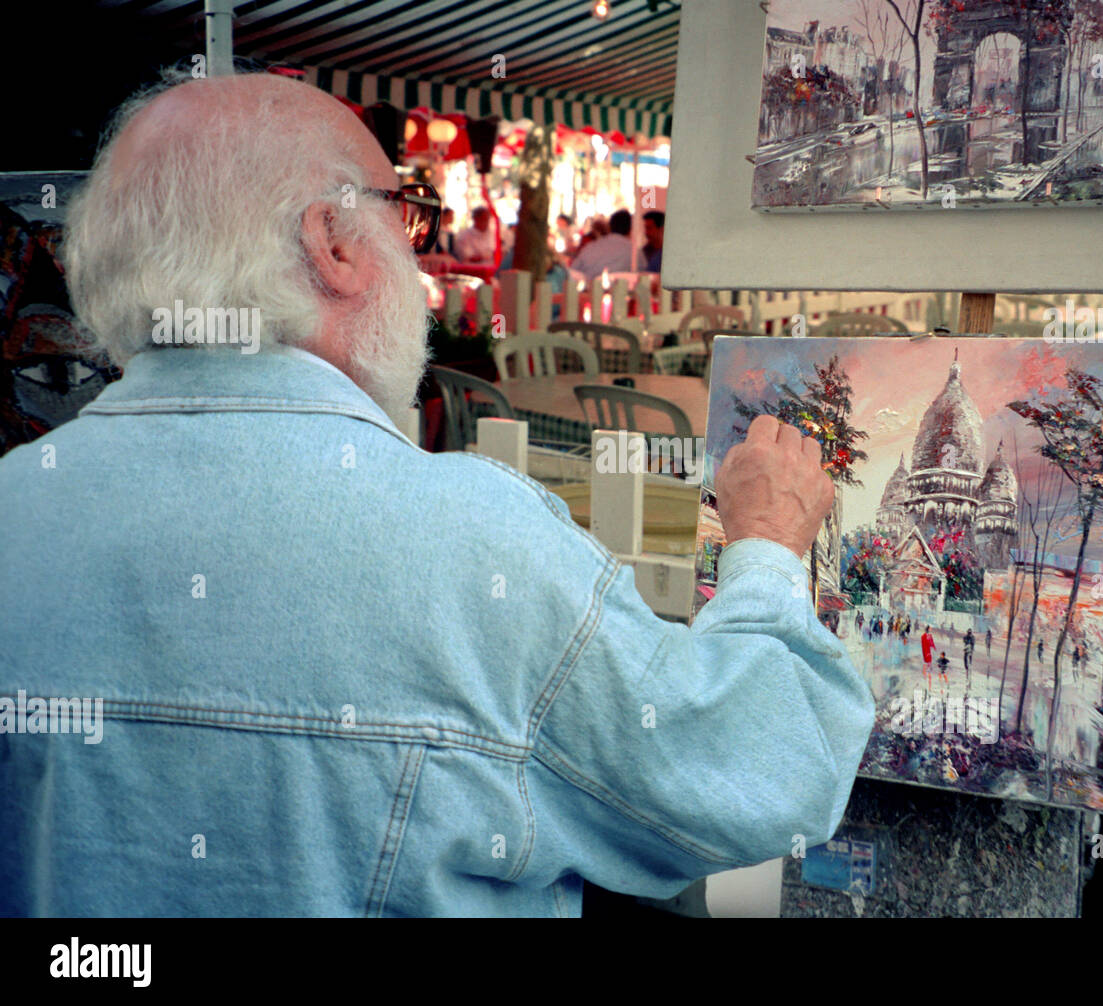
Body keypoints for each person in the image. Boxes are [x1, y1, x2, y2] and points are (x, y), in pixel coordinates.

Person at [0, 71, 875, 917]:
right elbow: (761, 776)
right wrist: (767, 548)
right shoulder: (470, 542)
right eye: (407, 216)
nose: (415, 254)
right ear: (335, 245)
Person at [568, 208, 645, 284]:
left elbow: (572, 273)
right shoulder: (636, 253)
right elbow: (643, 279)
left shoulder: (590, 248)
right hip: (624, 294)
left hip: (590, 294)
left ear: (610, 227)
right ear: (630, 229)